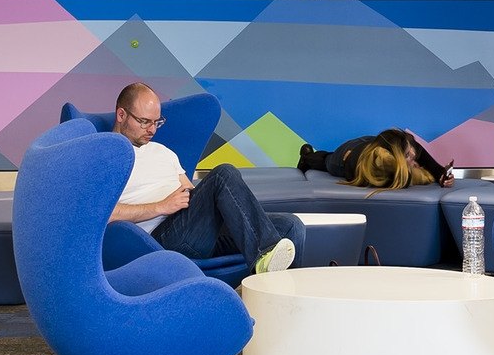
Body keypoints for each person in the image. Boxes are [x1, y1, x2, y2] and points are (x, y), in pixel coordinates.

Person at [111, 82, 296, 273]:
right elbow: (101, 214)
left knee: (290, 226)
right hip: (160, 241)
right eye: (144, 121)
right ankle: (263, 254)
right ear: (121, 115)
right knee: (223, 174)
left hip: (196, 230)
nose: (152, 130)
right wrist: (161, 206)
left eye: (157, 122)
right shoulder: (106, 156)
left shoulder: (163, 152)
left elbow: (193, 194)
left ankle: (279, 297)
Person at [296, 129, 452, 189]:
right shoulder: (377, 169)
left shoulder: (401, 148)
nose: (414, 158)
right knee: (327, 160)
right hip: (347, 154)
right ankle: (306, 157)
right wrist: (421, 173)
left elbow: (418, 152)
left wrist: (440, 173)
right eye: (408, 156)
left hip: (372, 141)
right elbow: (405, 176)